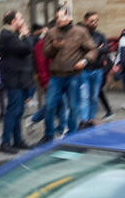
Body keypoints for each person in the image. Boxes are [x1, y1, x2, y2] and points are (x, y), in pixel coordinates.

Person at [41, 8, 96, 142]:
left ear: (70, 18)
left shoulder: (80, 32)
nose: (59, 20)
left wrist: (84, 60)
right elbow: (45, 53)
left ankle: (72, 135)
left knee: (73, 106)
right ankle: (48, 134)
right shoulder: (51, 32)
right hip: (56, 76)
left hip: (74, 75)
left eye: (62, 17)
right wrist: (54, 46)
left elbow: (93, 49)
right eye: (57, 17)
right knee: (49, 106)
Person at [0, 10, 35, 154]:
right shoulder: (7, 36)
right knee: (13, 111)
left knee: (18, 111)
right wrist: (26, 35)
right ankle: (5, 142)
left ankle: (18, 140)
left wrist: (25, 36)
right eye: (20, 18)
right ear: (13, 22)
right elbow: (26, 49)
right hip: (14, 79)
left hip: (20, 79)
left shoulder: (12, 36)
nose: (23, 20)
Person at [79, 12, 108, 127]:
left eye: (96, 20)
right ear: (85, 21)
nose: (94, 23)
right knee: (84, 97)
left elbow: (106, 48)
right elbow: (80, 50)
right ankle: (83, 120)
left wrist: (94, 49)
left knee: (94, 97)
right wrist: (97, 48)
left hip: (97, 70)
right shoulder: (80, 35)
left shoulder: (100, 35)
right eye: (92, 21)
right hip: (84, 71)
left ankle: (90, 120)